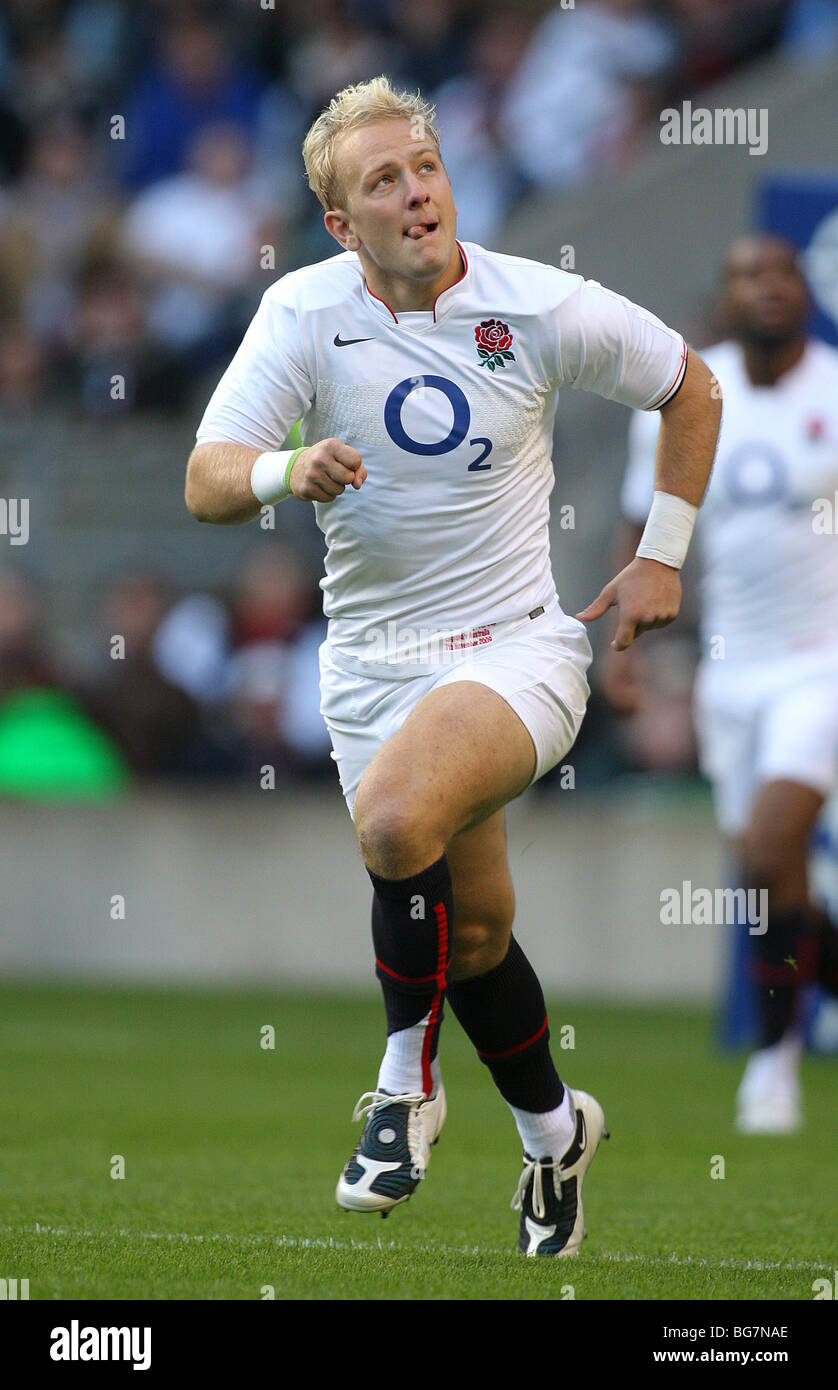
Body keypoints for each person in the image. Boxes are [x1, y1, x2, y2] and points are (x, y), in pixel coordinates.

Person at [185, 76, 720, 1255]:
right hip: (373, 670)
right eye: (382, 181)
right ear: (341, 224)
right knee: (468, 936)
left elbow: (690, 383)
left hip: (519, 650)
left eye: (422, 166)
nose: (414, 192)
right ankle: (551, 1134)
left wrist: (660, 555)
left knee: (392, 824)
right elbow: (208, 476)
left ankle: (400, 1092)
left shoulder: (536, 305)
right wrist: (286, 471)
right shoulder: (302, 312)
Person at [606, 234, 838, 1134]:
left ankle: (773, 1062)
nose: (766, 289)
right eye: (746, 276)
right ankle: (786, 1038)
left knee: (781, 832)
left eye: (779, 273)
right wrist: (615, 649)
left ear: (802, 288)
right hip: (729, 672)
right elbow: (640, 527)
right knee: (763, 872)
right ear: (725, 296)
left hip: (822, 662)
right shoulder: (686, 400)